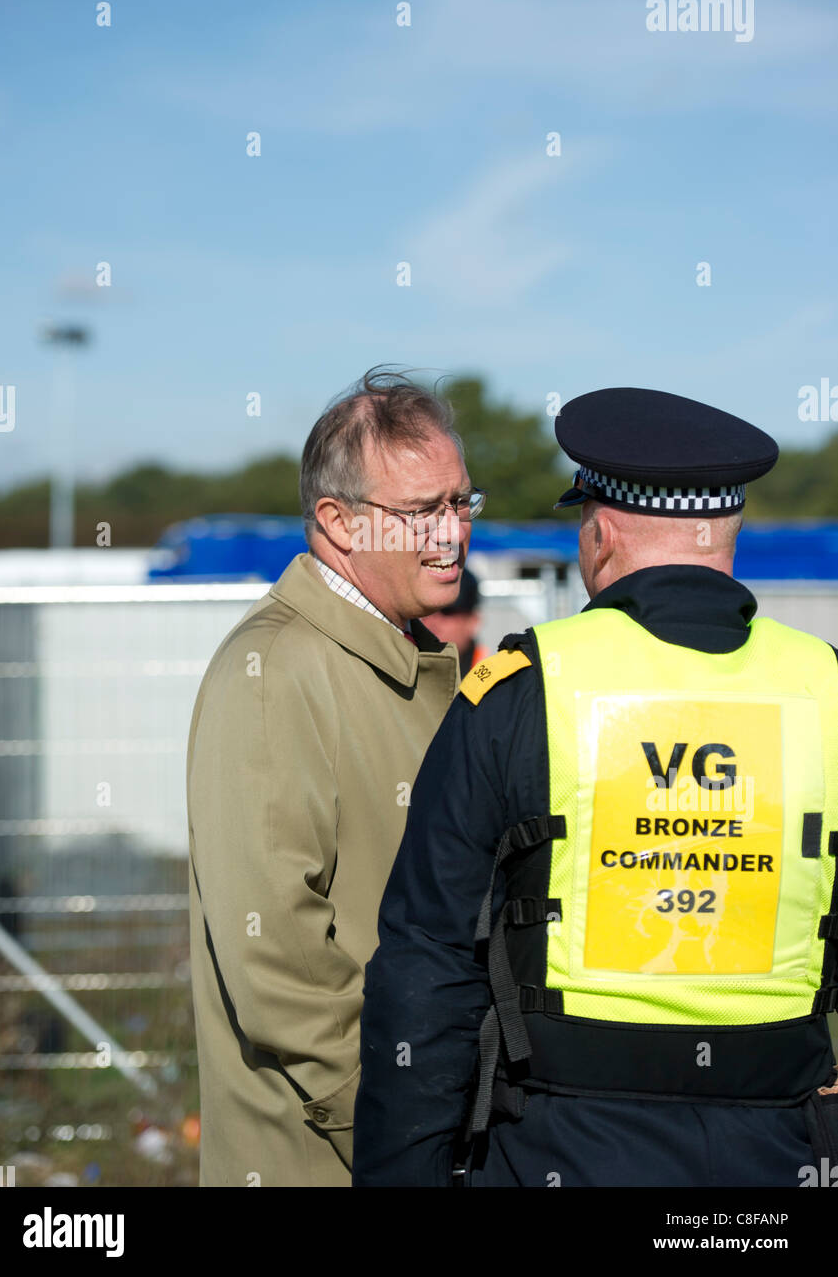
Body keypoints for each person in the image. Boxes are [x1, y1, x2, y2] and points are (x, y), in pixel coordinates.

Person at [353, 386, 838, 1188]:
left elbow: (427, 967)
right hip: (781, 1151)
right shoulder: (822, 686)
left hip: (564, 1148)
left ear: (601, 532)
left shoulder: (519, 690)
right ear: (727, 530)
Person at [187, 368, 483, 1186]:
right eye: (421, 512)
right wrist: (403, 1131)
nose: (452, 533)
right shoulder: (274, 671)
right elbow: (277, 966)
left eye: (460, 503)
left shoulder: (405, 656)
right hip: (331, 1159)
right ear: (337, 523)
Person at [421, 566, 489, 677]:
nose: (432, 621)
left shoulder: (497, 680)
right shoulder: (402, 668)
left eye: (447, 611)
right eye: (426, 611)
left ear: (473, 621)